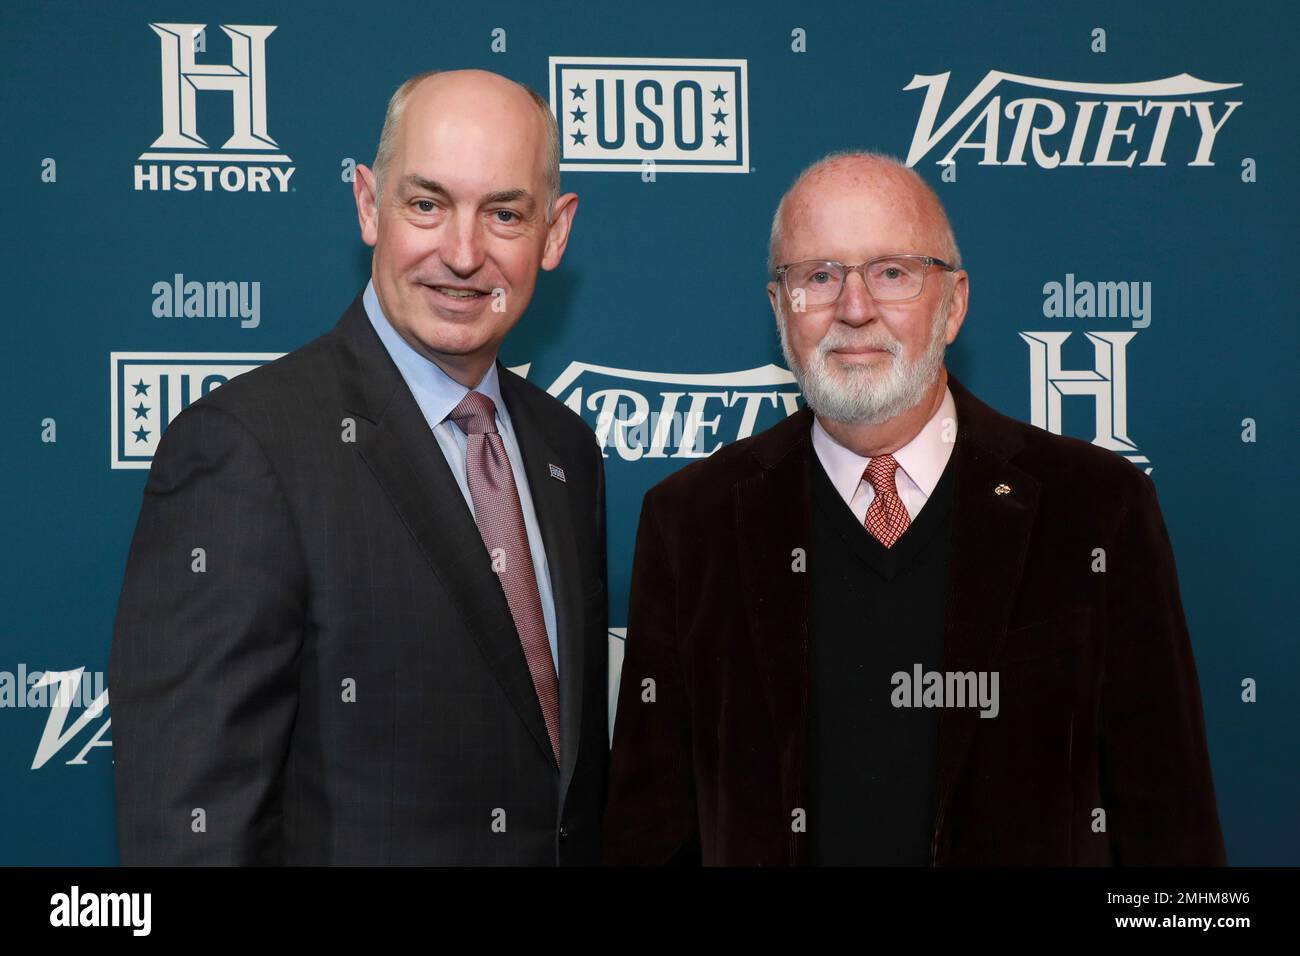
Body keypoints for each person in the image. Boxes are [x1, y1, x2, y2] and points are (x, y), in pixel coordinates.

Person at [603, 151, 1225, 866]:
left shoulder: (1096, 507)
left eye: (893, 272)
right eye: (819, 276)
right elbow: (649, 834)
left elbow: (1169, 820)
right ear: (781, 309)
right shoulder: (692, 521)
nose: (855, 307)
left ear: (954, 303)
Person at [110, 69, 608, 865]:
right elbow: (191, 830)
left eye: (505, 213)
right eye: (427, 204)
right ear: (368, 205)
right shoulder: (246, 447)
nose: (463, 252)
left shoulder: (564, 450)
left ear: (556, 232)